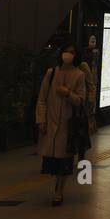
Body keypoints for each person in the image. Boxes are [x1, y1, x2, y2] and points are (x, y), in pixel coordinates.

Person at [35, 42, 89, 207]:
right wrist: (41, 120)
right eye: (66, 51)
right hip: (50, 122)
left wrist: (68, 94)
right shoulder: (51, 73)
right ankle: (58, 186)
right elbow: (42, 98)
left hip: (68, 125)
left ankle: (59, 191)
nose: (68, 55)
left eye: (72, 52)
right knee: (53, 160)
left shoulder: (79, 75)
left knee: (64, 160)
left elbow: (81, 100)